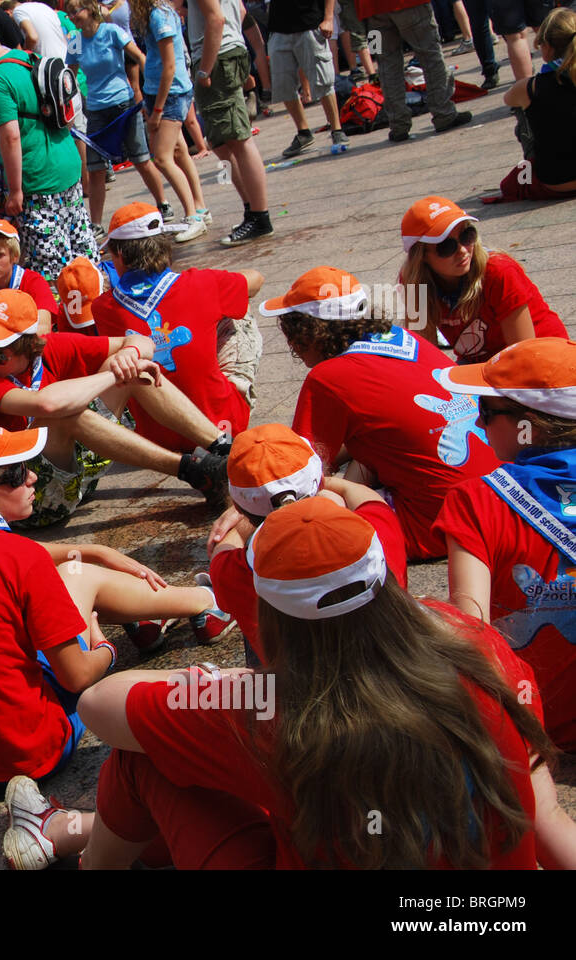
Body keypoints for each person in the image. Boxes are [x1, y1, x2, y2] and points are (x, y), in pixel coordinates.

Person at [6, 497, 576, 870]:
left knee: (145, 757)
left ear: (271, 619)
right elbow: (536, 802)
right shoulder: (477, 643)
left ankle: (79, 850)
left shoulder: (269, 710)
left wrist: (219, 681)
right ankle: (70, 832)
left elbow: (100, 702)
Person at [0, 420, 229, 783]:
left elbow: (3, 557)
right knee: (77, 576)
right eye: (15, 473)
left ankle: (156, 616)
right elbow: (77, 677)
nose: (32, 479)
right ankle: (205, 602)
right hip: (29, 755)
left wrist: (93, 550)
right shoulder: (23, 559)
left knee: (76, 569)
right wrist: (103, 644)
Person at [267, 265, 500, 559]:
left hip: (436, 527)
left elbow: (300, 472)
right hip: (495, 503)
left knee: (314, 512)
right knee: (367, 451)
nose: (291, 346)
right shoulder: (403, 337)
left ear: (310, 334)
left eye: (291, 334)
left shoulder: (327, 378)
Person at [0, 288, 232, 523]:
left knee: (134, 368)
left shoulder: (52, 347)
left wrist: (129, 356)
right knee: (68, 411)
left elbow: (141, 340)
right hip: (26, 502)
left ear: (28, 346)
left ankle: (223, 448)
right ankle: (197, 472)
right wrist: (114, 374)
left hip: (72, 474)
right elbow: (47, 405)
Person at [436, 338, 576, 751]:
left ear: (527, 424)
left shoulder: (475, 500)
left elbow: (471, 629)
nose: (478, 425)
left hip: (538, 720)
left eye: (487, 411)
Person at [204, 423, 408, 663]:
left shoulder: (234, 572)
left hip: (295, 689)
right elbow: (368, 499)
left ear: (238, 505)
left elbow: (221, 546)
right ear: (319, 478)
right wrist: (330, 486)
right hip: (390, 666)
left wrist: (240, 513)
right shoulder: (376, 532)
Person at [91, 202, 262, 452]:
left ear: (120, 255)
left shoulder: (103, 307)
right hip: (223, 426)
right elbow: (256, 279)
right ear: (164, 245)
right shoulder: (203, 283)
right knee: (239, 312)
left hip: (156, 439)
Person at [0, 16, 97, 280]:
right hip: (67, 165)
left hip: (37, 179)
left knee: (52, 272)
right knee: (83, 258)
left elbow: (10, 138)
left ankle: (61, 319)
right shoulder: (29, 58)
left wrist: (15, 191)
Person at [397, 196, 565, 365]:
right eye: (446, 246)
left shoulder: (499, 271)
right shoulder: (413, 282)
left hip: (545, 359)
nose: (462, 251)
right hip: (484, 364)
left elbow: (524, 358)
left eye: (466, 236)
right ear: (421, 256)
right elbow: (425, 359)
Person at [63, 0, 170, 235]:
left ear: (89, 9)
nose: (71, 17)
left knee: (141, 158)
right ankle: (97, 223)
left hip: (123, 103)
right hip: (96, 108)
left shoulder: (111, 31)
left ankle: (163, 205)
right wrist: (67, 103)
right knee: (96, 168)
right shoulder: (76, 41)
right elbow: (68, 75)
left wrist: (151, 91)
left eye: (75, 11)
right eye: (68, 13)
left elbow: (140, 58)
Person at [188, 0, 275, 244]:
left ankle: (260, 217)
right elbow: (241, 11)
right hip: (225, 52)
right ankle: (253, 211)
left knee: (238, 139)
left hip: (217, 55)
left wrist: (205, 69)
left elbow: (217, 19)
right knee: (222, 142)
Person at [133, 0, 210, 238]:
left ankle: (193, 216)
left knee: (163, 158)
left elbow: (169, 66)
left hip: (170, 95)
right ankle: (199, 207)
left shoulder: (159, 15)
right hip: (162, 92)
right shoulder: (159, 12)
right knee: (179, 152)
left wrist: (156, 112)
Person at [356, 0, 473, 142]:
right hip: (410, 6)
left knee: (385, 65)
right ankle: (444, 114)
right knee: (431, 56)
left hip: (371, 11)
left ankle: (398, 124)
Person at [496, 7, 576, 200]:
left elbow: (508, 99)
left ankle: (534, 159)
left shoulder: (530, 87)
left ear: (547, 47)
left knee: (510, 184)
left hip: (556, 182)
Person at [267, 0, 350, 157]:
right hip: (278, 28)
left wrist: (328, 18)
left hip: (310, 24)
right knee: (284, 85)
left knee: (323, 80)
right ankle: (303, 132)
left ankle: (337, 129)